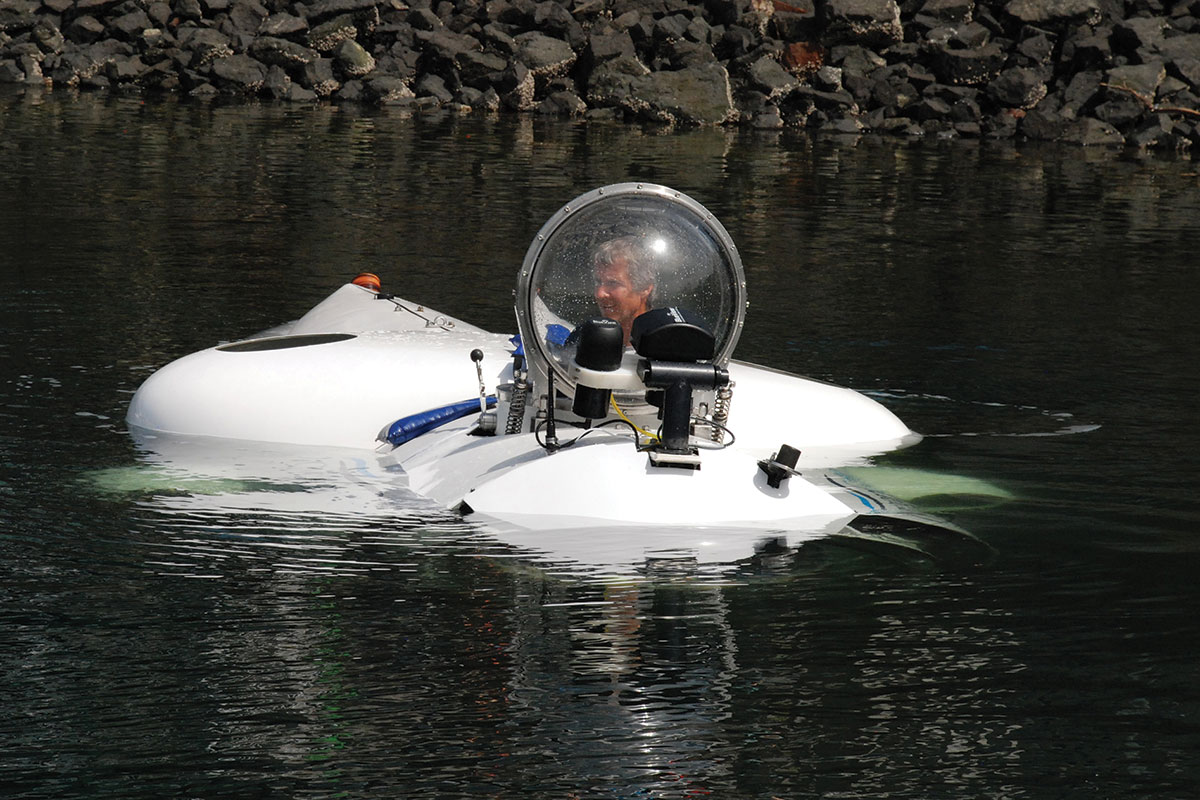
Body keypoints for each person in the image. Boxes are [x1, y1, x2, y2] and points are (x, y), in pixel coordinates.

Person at [593, 237, 655, 346]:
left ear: (645, 288)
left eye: (613, 283)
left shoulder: (664, 348)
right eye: (598, 282)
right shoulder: (586, 339)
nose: (599, 294)